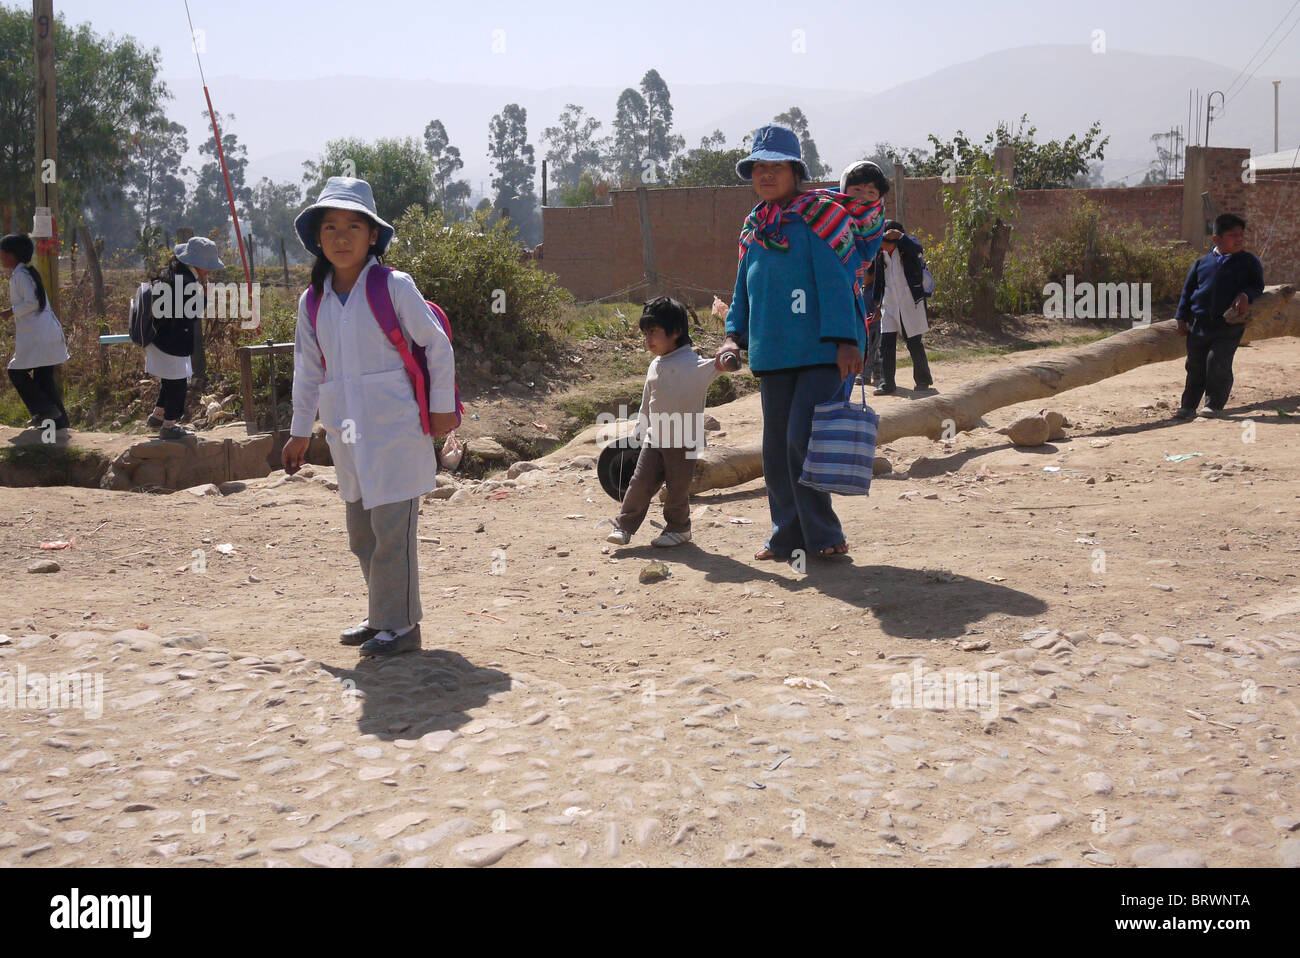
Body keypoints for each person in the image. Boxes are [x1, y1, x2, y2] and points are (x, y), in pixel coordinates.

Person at [281, 177, 457, 657]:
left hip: (396, 431)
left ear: (372, 235)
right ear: (317, 238)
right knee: (362, 534)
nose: (341, 237)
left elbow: (435, 345)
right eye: (330, 227)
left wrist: (443, 409)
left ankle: (401, 628)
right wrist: (300, 432)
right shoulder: (312, 300)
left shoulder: (392, 286)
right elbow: (307, 368)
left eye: (353, 226)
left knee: (392, 532)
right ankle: (383, 615)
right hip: (348, 435)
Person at [718, 124, 867, 561]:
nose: (766, 174)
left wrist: (845, 340)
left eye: (776, 166)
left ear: (795, 171)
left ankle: (823, 535)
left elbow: (838, 282)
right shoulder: (755, 227)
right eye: (759, 167)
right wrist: (733, 337)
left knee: (803, 439)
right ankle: (787, 534)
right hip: (773, 353)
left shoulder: (819, 217)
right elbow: (744, 287)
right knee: (776, 449)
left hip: (821, 350)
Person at [605, 296, 728, 549]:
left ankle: (679, 529)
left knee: (677, 491)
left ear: (675, 332)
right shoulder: (655, 364)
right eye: (645, 333)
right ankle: (624, 527)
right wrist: (640, 427)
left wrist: (729, 350)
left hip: (684, 441)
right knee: (639, 484)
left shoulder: (694, 364)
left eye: (653, 332)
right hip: (654, 439)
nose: (647, 339)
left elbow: (721, 366)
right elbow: (648, 399)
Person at [1172, 213, 1264, 420]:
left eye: (1241, 235)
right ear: (1217, 239)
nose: (1239, 239)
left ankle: (1214, 405)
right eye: (1233, 235)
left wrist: (1245, 295)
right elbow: (1188, 292)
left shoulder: (1249, 262)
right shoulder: (1201, 263)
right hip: (1198, 324)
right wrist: (1181, 317)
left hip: (1228, 324)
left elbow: (1257, 285)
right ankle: (1188, 406)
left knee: (1217, 362)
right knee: (1194, 365)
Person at [145, 237, 223, 439]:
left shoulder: (171, 273)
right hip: (172, 341)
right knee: (178, 382)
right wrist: (204, 298)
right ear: (199, 265)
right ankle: (169, 425)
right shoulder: (187, 282)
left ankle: (158, 415)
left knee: (169, 378)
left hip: (159, 338)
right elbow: (190, 314)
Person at [1, 234, 69, 431]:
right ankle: (59, 420)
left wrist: (10, 312)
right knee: (43, 378)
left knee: (15, 372)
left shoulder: (21, 276)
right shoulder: (25, 274)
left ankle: (45, 410)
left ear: (11, 256)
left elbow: (32, 303)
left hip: (38, 336)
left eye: (3, 253)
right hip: (45, 334)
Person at [839, 161, 891, 386]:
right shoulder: (825, 213)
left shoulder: (876, 224)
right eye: (857, 189)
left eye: (871, 192)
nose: (863, 197)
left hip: (858, 302)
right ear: (844, 189)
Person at [872, 219, 934, 395]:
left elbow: (918, 249)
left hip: (909, 304)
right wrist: (876, 304)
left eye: (885, 241)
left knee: (914, 344)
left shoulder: (908, 250)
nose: (882, 246)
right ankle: (887, 383)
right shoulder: (881, 255)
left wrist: (900, 236)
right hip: (889, 306)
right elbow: (878, 281)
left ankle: (923, 380)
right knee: (886, 346)